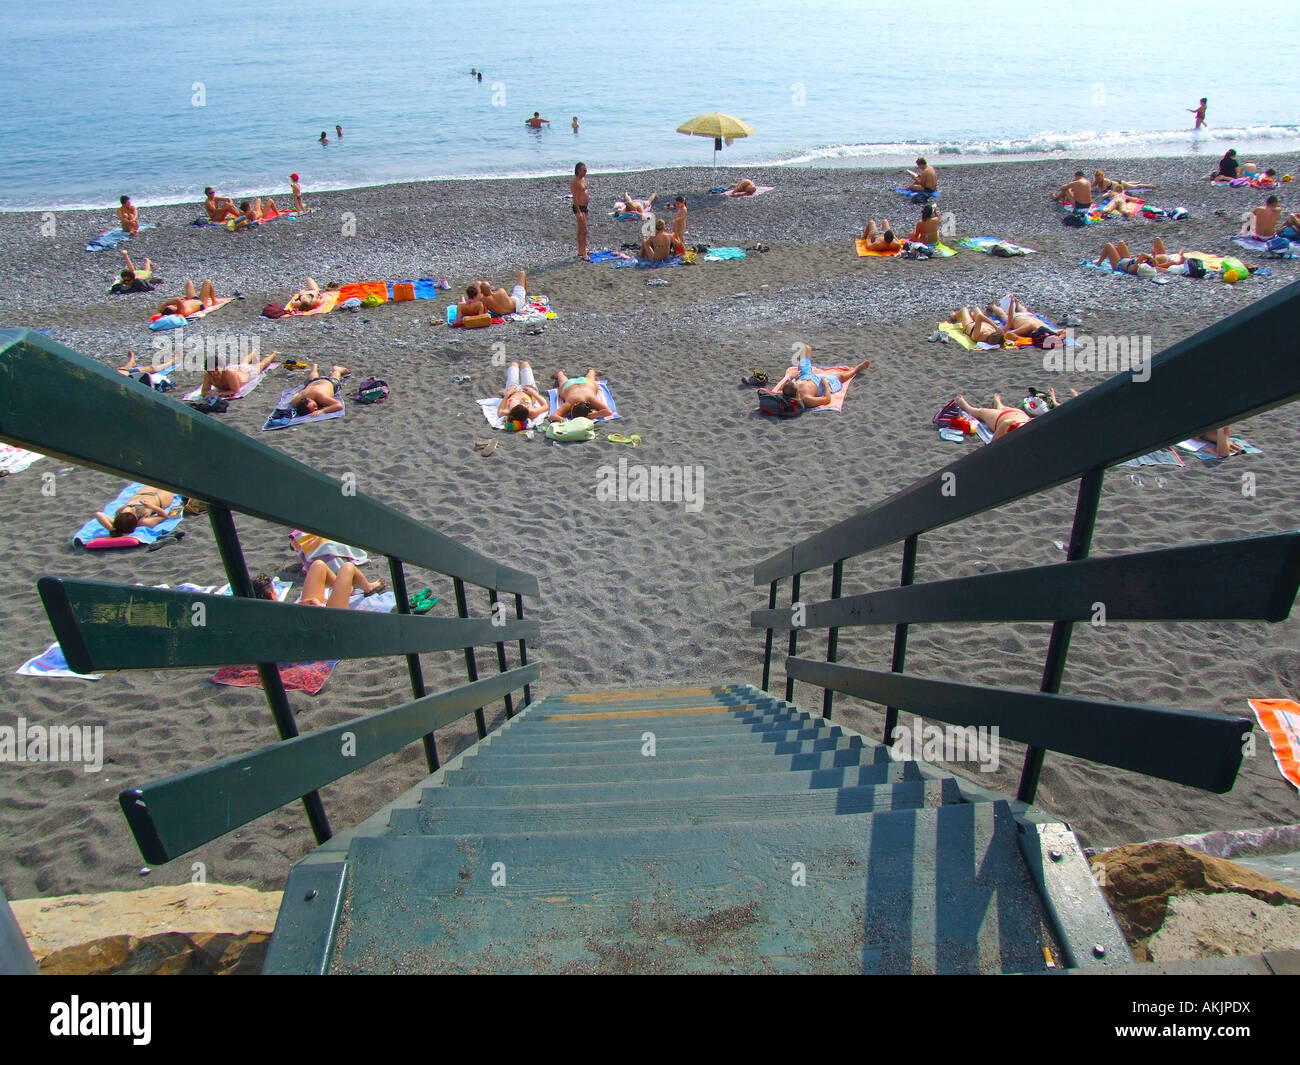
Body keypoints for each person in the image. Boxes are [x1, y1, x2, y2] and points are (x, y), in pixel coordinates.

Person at [253, 560, 387, 608]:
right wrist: (318, 606)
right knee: (348, 567)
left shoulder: (255, 617)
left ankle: (345, 590)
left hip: (308, 615)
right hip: (326, 623)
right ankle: (367, 588)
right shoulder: (274, 616)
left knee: (318, 566)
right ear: (271, 596)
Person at [777, 347, 871, 410]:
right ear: (797, 392)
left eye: (795, 382)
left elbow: (779, 390)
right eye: (795, 383)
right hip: (820, 384)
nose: (796, 383)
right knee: (841, 377)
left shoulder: (786, 392)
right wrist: (825, 383)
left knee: (806, 348)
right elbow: (827, 399)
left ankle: (803, 360)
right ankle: (857, 369)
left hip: (804, 375)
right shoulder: (807, 399)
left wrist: (790, 378)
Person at [95, 487, 177, 538]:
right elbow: (164, 516)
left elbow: (98, 515)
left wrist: (112, 530)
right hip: (159, 497)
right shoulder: (142, 521)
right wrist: (151, 506)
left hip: (146, 493)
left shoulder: (120, 517)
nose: (127, 510)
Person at [202, 349, 279, 397]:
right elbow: (204, 391)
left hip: (247, 374)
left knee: (261, 365)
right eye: (211, 371)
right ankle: (253, 352)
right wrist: (209, 393)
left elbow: (235, 391)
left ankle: (273, 354)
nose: (214, 373)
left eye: (216, 370)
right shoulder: (208, 375)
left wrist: (219, 394)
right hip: (238, 372)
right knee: (243, 364)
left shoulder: (229, 374)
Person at [497, 361, 548, 430]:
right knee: (525, 364)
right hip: (528, 390)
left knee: (513, 364)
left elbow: (500, 410)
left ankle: (503, 392)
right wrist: (533, 393)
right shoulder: (532, 412)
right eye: (524, 404)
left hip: (512, 390)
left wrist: (507, 395)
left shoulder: (507, 412)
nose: (522, 402)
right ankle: (503, 392)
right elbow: (546, 406)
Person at [954, 394, 1029, 440]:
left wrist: (1005, 424)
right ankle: (999, 405)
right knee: (1003, 408)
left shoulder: (1014, 432)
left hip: (1000, 418)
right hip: (1019, 414)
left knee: (980, 412)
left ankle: (966, 406)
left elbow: (994, 442)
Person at [1096, 237, 1184, 273]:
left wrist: (1150, 257)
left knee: (1109, 245)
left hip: (1118, 264)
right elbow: (1142, 257)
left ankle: (1099, 263)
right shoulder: (1138, 263)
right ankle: (1107, 257)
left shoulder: (1135, 268)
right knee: (1121, 243)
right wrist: (1151, 257)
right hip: (1127, 259)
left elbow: (1143, 256)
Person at [156, 280, 221, 317]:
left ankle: (191, 296)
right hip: (201, 303)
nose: (172, 305)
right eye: (172, 306)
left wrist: (162, 309)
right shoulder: (182, 311)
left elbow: (176, 301)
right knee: (207, 282)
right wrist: (163, 305)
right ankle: (214, 300)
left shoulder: (177, 308)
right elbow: (177, 300)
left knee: (189, 282)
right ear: (173, 311)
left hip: (192, 299)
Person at [571, 162, 590, 261]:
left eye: (586, 170)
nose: (585, 172)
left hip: (584, 207)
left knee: (580, 230)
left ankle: (580, 251)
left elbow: (584, 193)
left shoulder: (583, 179)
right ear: (578, 170)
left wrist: (586, 208)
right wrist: (579, 212)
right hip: (578, 207)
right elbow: (575, 197)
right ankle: (584, 253)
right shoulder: (575, 181)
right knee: (584, 230)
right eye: (584, 170)